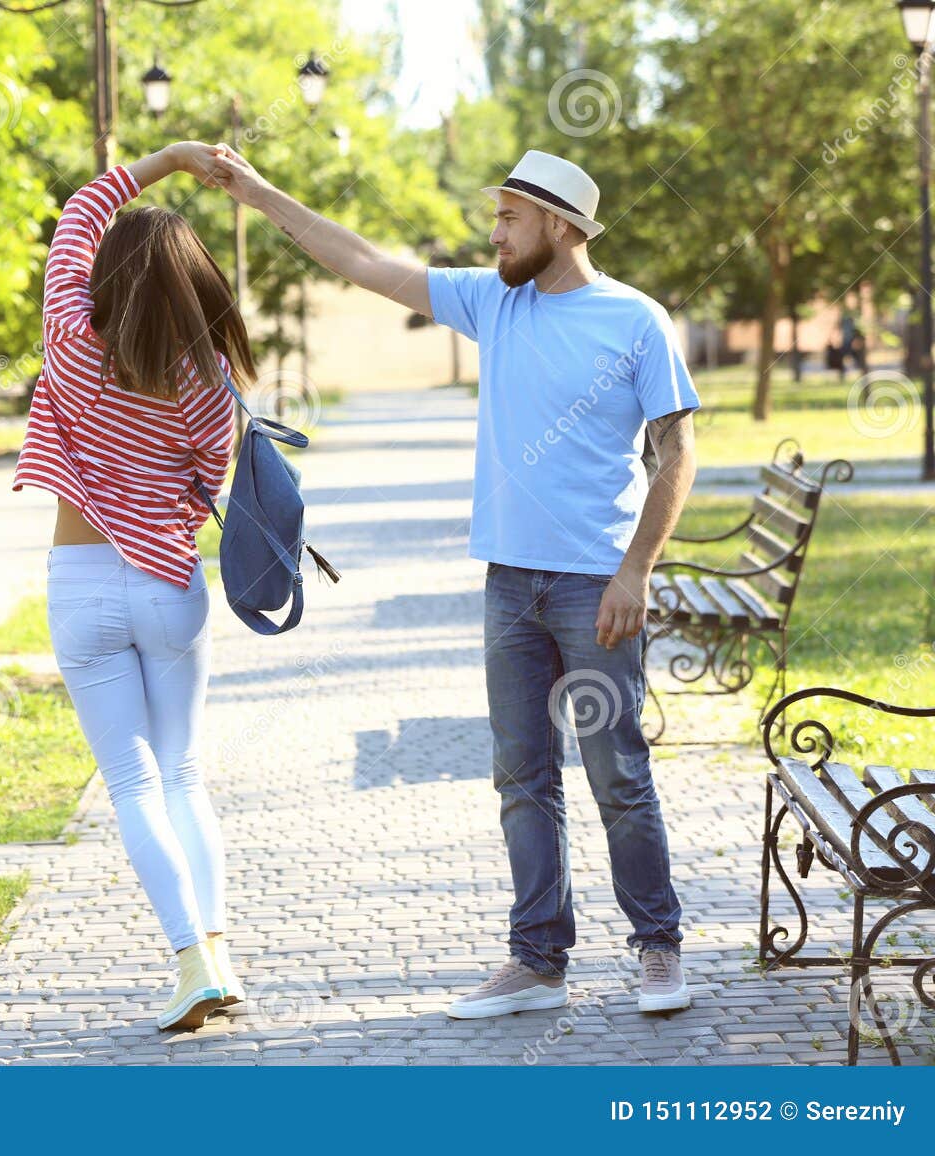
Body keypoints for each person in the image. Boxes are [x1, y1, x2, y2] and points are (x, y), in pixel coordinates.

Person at [210, 144, 700, 1017]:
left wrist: (637, 569)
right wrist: (255, 192)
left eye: (510, 216)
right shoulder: (492, 302)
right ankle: (538, 963)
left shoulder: (636, 321)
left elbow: (677, 454)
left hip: (597, 588)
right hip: (510, 585)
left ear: (560, 224)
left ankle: (658, 950)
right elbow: (361, 261)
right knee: (522, 778)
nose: (496, 230)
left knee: (617, 774)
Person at [12, 142, 252, 1031]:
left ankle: (189, 961)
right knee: (184, 771)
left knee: (130, 781)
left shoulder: (72, 340)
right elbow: (209, 473)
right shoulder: (206, 381)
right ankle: (219, 954)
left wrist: (165, 160)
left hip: (80, 580)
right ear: (193, 284)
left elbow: (80, 213)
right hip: (169, 583)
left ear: (109, 276)